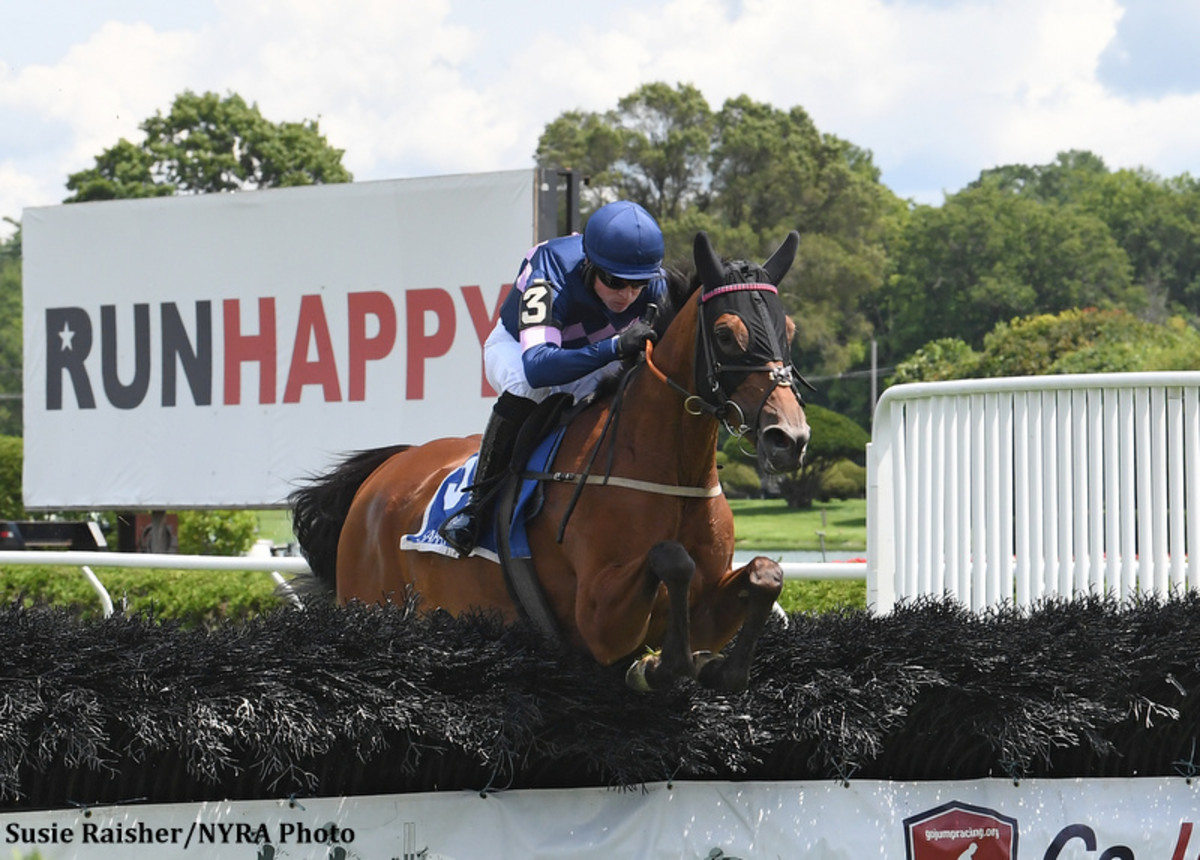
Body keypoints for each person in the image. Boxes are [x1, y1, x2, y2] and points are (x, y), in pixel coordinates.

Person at [438, 200, 669, 557]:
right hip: (520, 348)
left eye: (639, 285)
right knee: (527, 386)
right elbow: (539, 366)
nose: (627, 295)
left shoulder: (655, 282)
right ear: (591, 264)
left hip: (593, 354)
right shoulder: (550, 267)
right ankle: (475, 508)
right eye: (615, 282)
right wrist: (615, 346)